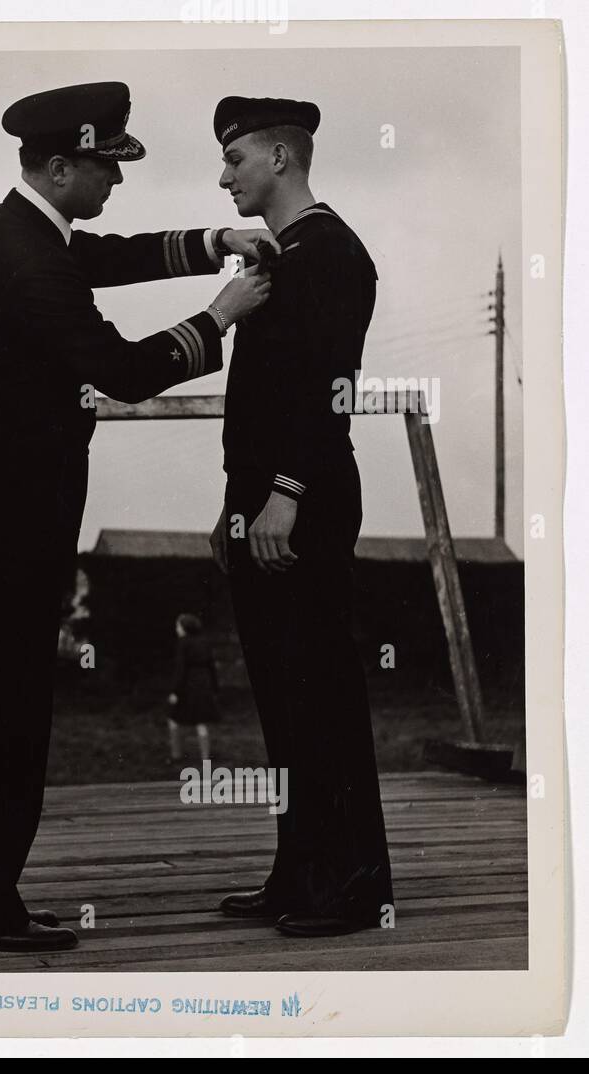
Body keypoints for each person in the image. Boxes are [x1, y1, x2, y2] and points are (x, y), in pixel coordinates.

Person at [0, 81, 275, 952]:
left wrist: (214, 242)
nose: (115, 184)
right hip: (11, 524)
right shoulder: (30, 258)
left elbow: (111, 254)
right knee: (3, 713)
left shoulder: (19, 230)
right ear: (58, 165)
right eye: (104, 169)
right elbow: (121, 370)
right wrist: (219, 314)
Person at [208, 96, 395, 937]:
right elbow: (261, 395)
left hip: (306, 497)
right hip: (264, 500)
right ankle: (300, 870)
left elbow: (330, 390)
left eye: (237, 158)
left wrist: (284, 493)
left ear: (281, 157)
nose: (226, 176)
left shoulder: (331, 253)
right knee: (283, 698)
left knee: (320, 689)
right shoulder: (282, 256)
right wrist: (235, 506)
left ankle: (354, 883)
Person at [166, 612, 219, 764]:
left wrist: (175, 691)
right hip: (204, 684)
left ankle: (176, 756)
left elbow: (180, 669)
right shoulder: (205, 641)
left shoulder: (183, 643)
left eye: (178, 626)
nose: (176, 629)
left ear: (184, 628)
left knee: (173, 719)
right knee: (201, 722)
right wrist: (214, 688)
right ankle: (205, 758)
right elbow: (211, 666)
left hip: (188, 685)